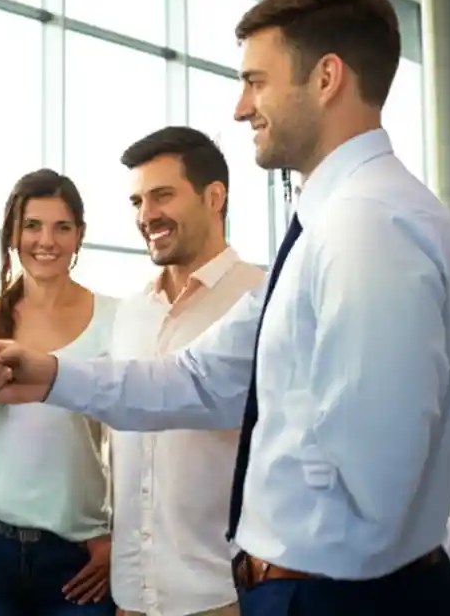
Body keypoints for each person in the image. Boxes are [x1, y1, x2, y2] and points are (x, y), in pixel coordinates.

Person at [0, 0, 450, 616]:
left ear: (326, 78)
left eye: (256, 81)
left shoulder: (367, 228)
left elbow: (375, 475)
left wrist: (269, 544)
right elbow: (204, 379)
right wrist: (50, 375)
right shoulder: (337, 223)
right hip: (316, 588)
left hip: (336, 595)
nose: (241, 108)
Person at [0, 168, 118, 616]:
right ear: (13, 233)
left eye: (62, 227)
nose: (46, 240)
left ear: (79, 236)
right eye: (32, 225)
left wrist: (121, 540)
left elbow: (131, 441)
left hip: (77, 556)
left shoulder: (116, 319)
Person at [109, 128, 265, 616]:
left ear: (213, 197)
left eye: (161, 196)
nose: (145, 215)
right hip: (132, 594)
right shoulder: (131, 312)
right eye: (137, 200)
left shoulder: (263, 300)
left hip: (223, 594)